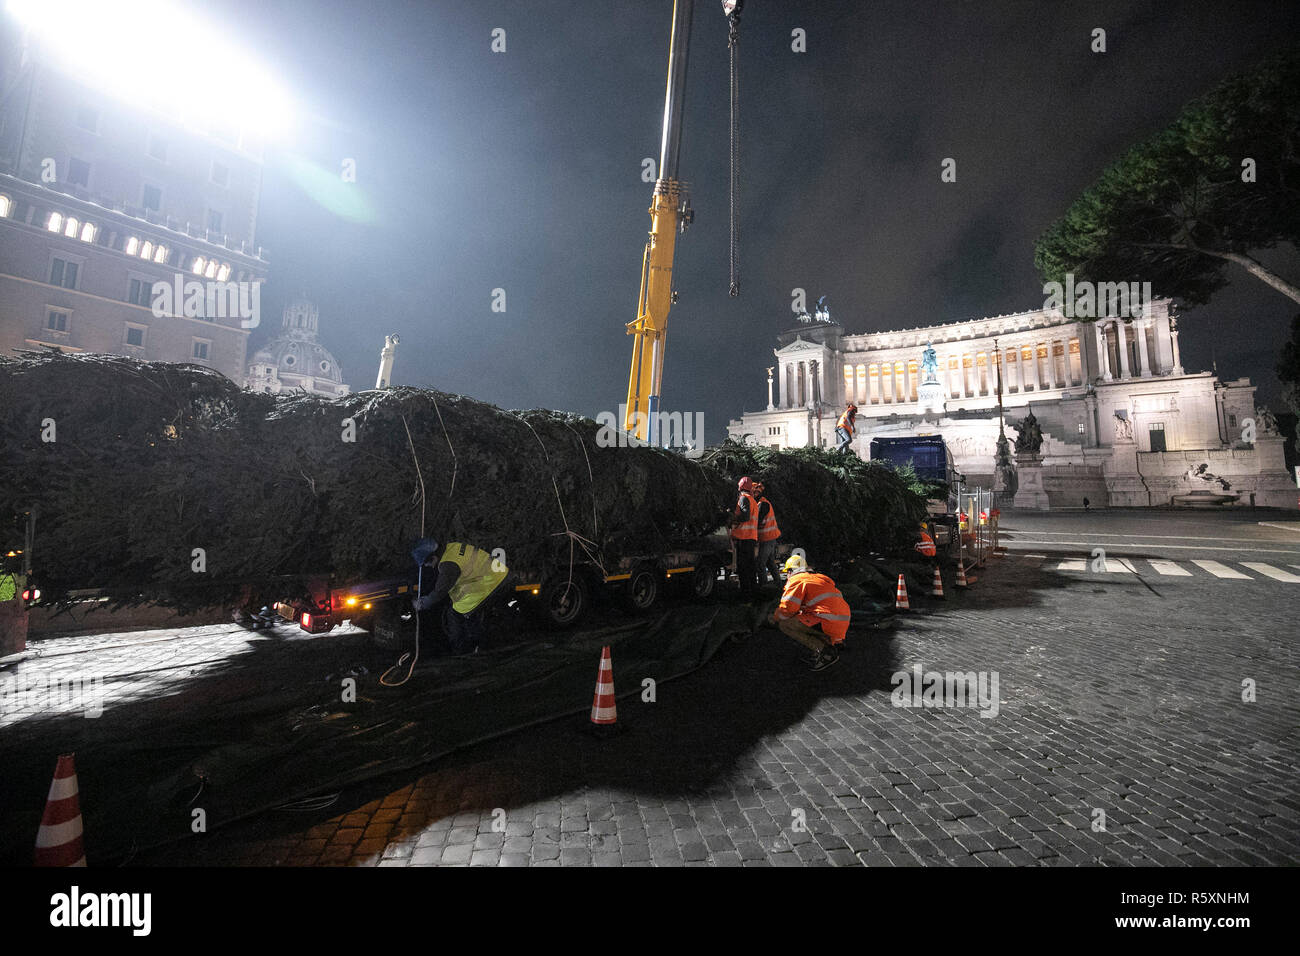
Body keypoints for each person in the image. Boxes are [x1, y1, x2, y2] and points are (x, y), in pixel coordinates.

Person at [411, 537, 508, 655]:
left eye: (427, 563)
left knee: (456, 612)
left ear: (433, 557)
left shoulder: (448, 565)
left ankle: (463, 650)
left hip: (488, 583)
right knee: (467, 610)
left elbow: (440, 592)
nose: (428, 566)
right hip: (495, 574)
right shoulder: (452, 547)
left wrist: (422, 603)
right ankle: (479, 645)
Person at [771, 553, 849, 671]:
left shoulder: (796, 581)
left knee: (785, 624)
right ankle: (831, 643)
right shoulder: (817, 579)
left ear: (791, 571)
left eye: (787, 572)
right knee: (803, 617)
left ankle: (825, 653)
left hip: (827, 621)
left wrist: (775, 618)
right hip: (840, 621)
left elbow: (787, 609)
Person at [730, 476, 761, 595]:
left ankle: (745, 594)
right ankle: (753, 592)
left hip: (743, 538)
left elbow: (744, 517)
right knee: (750, 567)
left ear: (740, 487)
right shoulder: (753, 501)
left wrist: (732, 517)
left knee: (743, 568)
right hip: (750, 537)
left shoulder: (744, 499)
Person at [754, 481, 782, 585]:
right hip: (768, 538)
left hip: (767, 539)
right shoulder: (761, 503)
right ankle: (779, 585)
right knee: (770, 563)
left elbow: (757, 521)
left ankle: (764, 587)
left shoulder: (763, 504)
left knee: (760, 564)